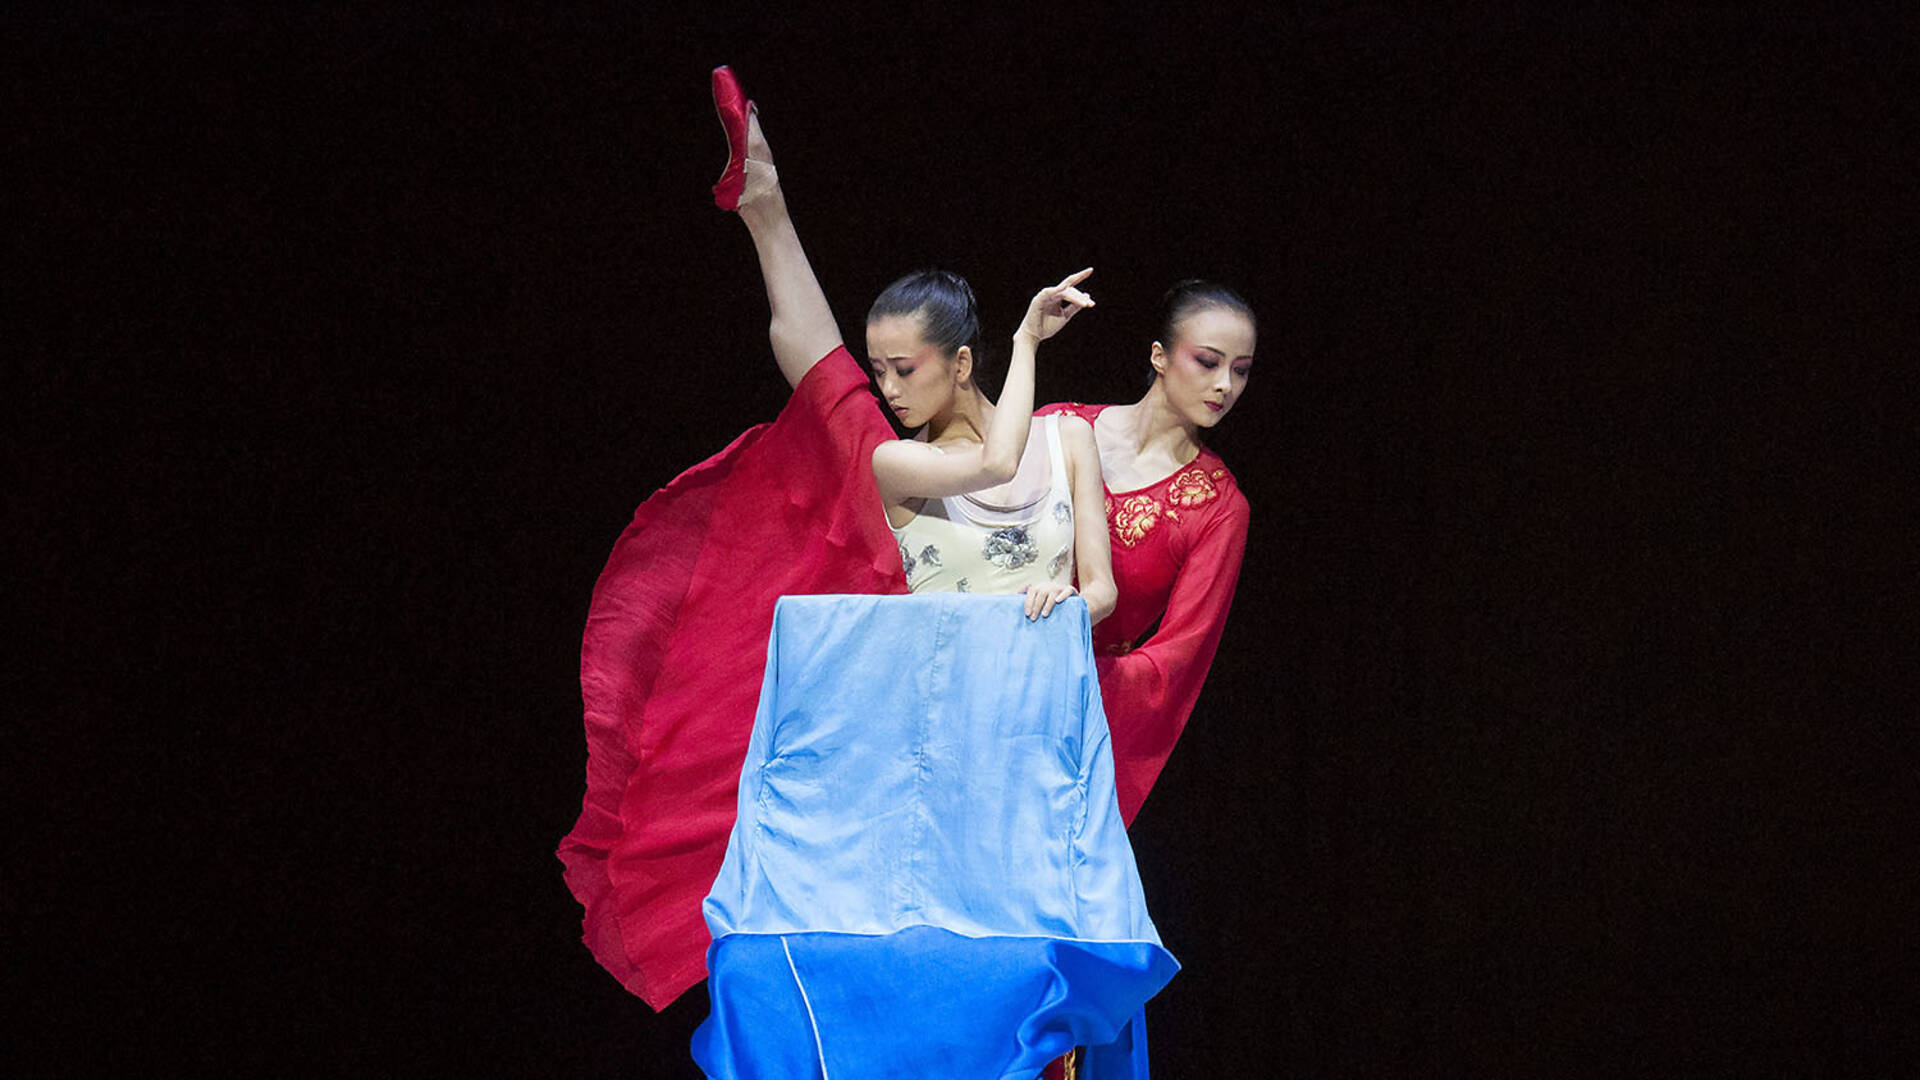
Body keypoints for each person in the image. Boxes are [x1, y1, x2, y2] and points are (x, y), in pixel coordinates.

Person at [694, 264, 1174, 1078]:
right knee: (934, 947)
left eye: (903, 368)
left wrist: (1062, 603)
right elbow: (993, 463)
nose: (887, 389)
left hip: (1033, 727)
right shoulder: (897, 465)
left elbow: (1101, 589)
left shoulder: (1069, 442)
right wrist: (1025, 340)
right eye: (876, 369)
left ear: (959, 363)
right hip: (932, 734)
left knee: (1048, 941)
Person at [1035, 281, 1256, 826]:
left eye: (1242, 369)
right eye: (1207, 361)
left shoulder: (1218, 506)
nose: (1224, 384)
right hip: (988, 668)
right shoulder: (1060, 427)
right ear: (1159, 355)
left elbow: (1175, 658)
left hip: (1073, 716)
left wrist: (1073, 682)